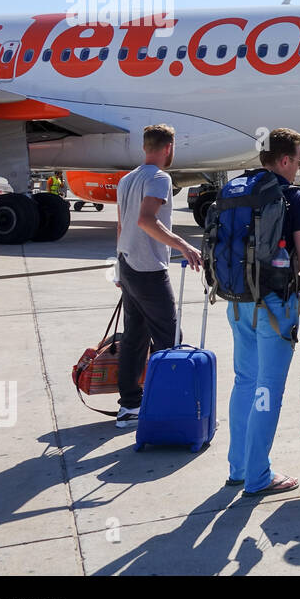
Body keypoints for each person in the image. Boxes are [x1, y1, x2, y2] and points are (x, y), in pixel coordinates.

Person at [225, 128, 300, 496]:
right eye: (299, 160)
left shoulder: (239, 189)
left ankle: (238, 467)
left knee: (245, 383)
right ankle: (258, 476)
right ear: (284, 160)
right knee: (268, 388)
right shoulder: (294, 199)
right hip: (275, 307)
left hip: (238, 302)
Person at [113, 124, 203, 429]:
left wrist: (118, 268)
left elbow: (122, 226)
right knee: (170, 339)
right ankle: (173, 405)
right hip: (149, 269)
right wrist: (184, 244)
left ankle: (129, 407)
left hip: (128, 264)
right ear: (169, 148)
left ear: (145, 147)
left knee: (134, 337)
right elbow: (145, 220)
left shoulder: (127, 179)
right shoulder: (159, 178)